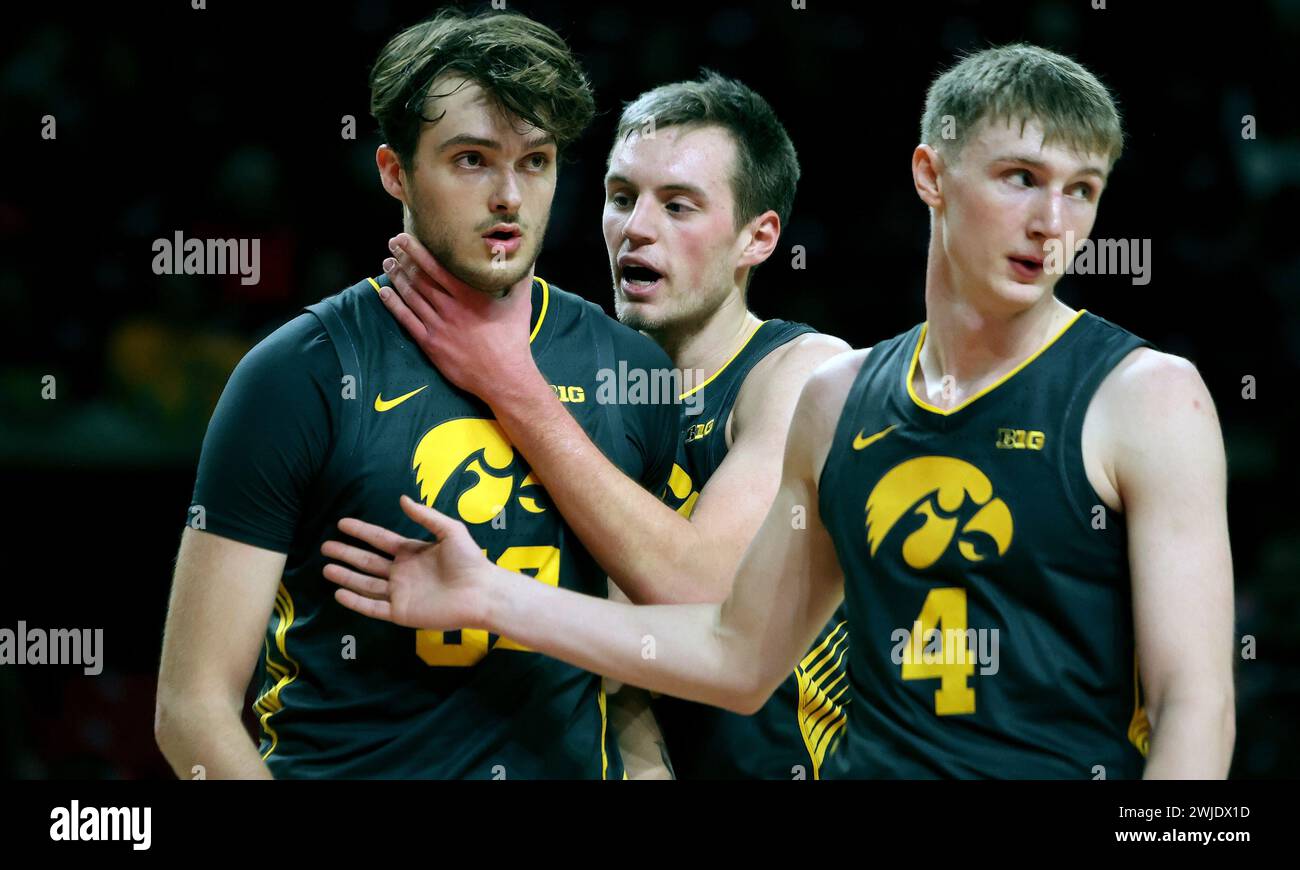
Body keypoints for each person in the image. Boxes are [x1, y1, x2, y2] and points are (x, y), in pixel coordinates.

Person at [324, 44, 1236, 778]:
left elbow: (1194, 706)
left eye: (1082, 190)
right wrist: (492, 595)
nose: (1054, 222)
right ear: (931, 175)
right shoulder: (841, 402)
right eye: (1020, 179)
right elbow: (733, 656)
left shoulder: (1147, 395)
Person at [154, 9, 680, 779]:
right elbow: (192, 708)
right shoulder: (296, 374)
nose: (509, 196)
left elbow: (644, 660)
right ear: (395, 171)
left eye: (535, 161)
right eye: (472, 160)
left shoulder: (629, 368)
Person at [376, 72, 852, 779]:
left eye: (678, 206)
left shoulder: (806, 374)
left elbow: (702, 591)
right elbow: (618, 659)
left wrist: (508, 384)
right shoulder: (587, 388)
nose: (636, 228)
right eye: (622, 198)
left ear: (758, 238)